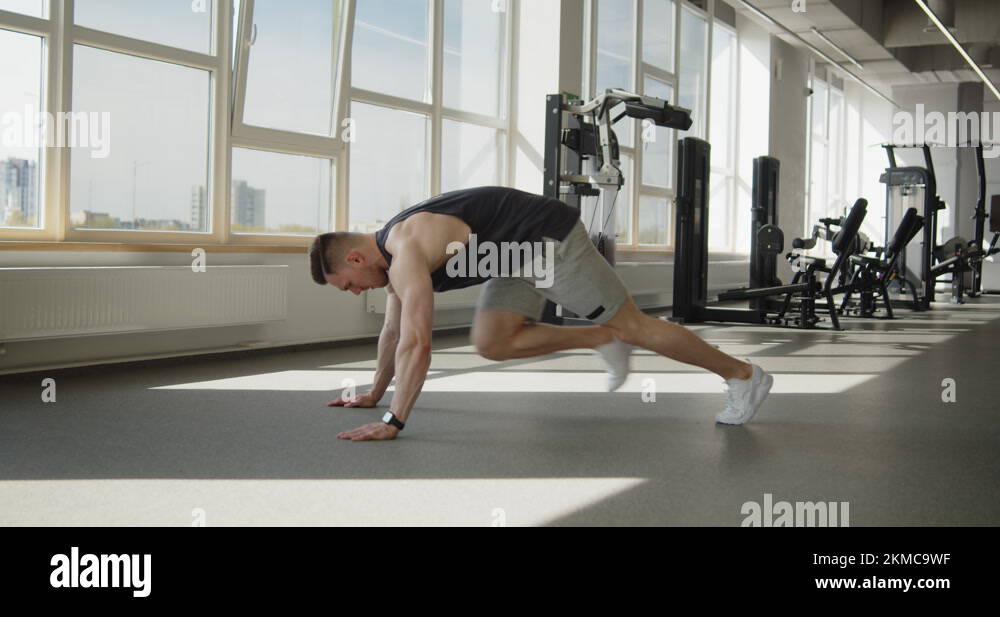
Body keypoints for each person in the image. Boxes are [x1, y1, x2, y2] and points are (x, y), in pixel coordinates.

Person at [310, 186, 773, 442]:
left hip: (547, 240)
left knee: (633, 325)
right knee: (492, 341)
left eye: (349, 285)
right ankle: (600, 338)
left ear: (355, 258)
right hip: (512, 257)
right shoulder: (392, 263)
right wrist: (374, 394)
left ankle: (744, 375)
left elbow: (417, 342)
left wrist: (393, 421)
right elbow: (393, 333)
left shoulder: (407, 248)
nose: (356, 292)